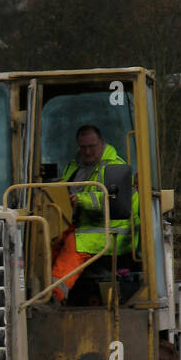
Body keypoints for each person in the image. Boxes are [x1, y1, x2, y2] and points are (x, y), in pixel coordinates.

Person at [51, 125, 138, 302]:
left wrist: (81, 200)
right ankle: (37, 289)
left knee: (74, 245)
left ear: (102, 143)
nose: (88, 151)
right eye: (83, 147)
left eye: (92, 146)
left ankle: (54, 296)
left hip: (111, 228)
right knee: (51, 238)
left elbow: (114, 198)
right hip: (84, 223)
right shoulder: (74, 165)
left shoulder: (115, 167)